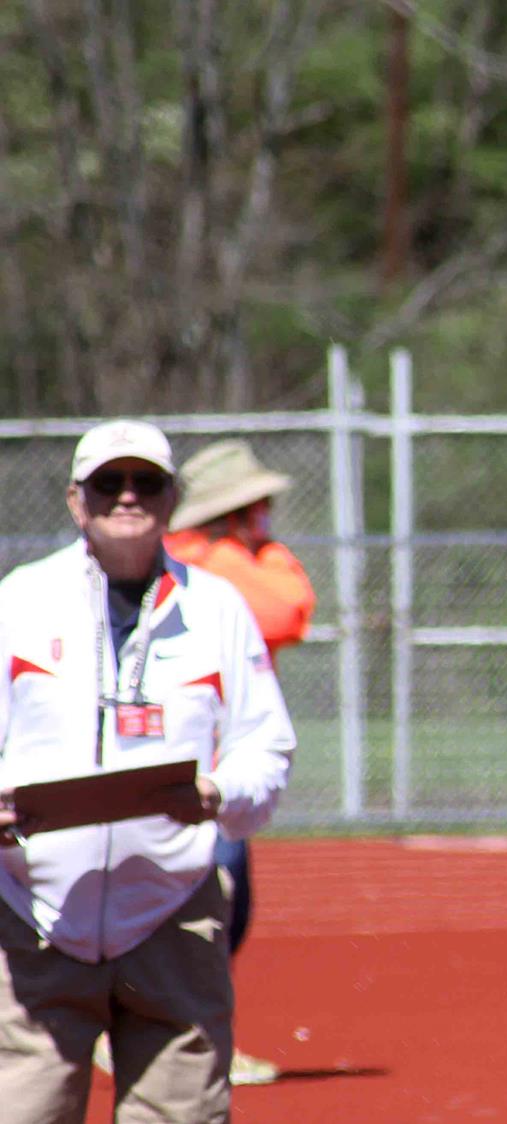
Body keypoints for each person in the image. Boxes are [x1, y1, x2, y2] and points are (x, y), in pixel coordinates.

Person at [0, 420, 296, 1122]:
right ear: (77, 500)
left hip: (173, 911)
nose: (126, 497)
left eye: (146, 482)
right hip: (33, 915)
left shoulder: (218, 608)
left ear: (172, 499)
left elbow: (267, 748)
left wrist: (221, 792)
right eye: (108, 483)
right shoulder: (18, 602)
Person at [160, 439, 316, 1087]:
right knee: (208, 915)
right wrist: (256, 549)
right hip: (195, 774)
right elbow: (291, 606)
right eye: (257, 512)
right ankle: (194, 1042)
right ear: (228, 516)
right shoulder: (207, 564)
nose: (268, 524)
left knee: (227, 911)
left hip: (226, 772)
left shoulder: (218, 561)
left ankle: (180, 1034)